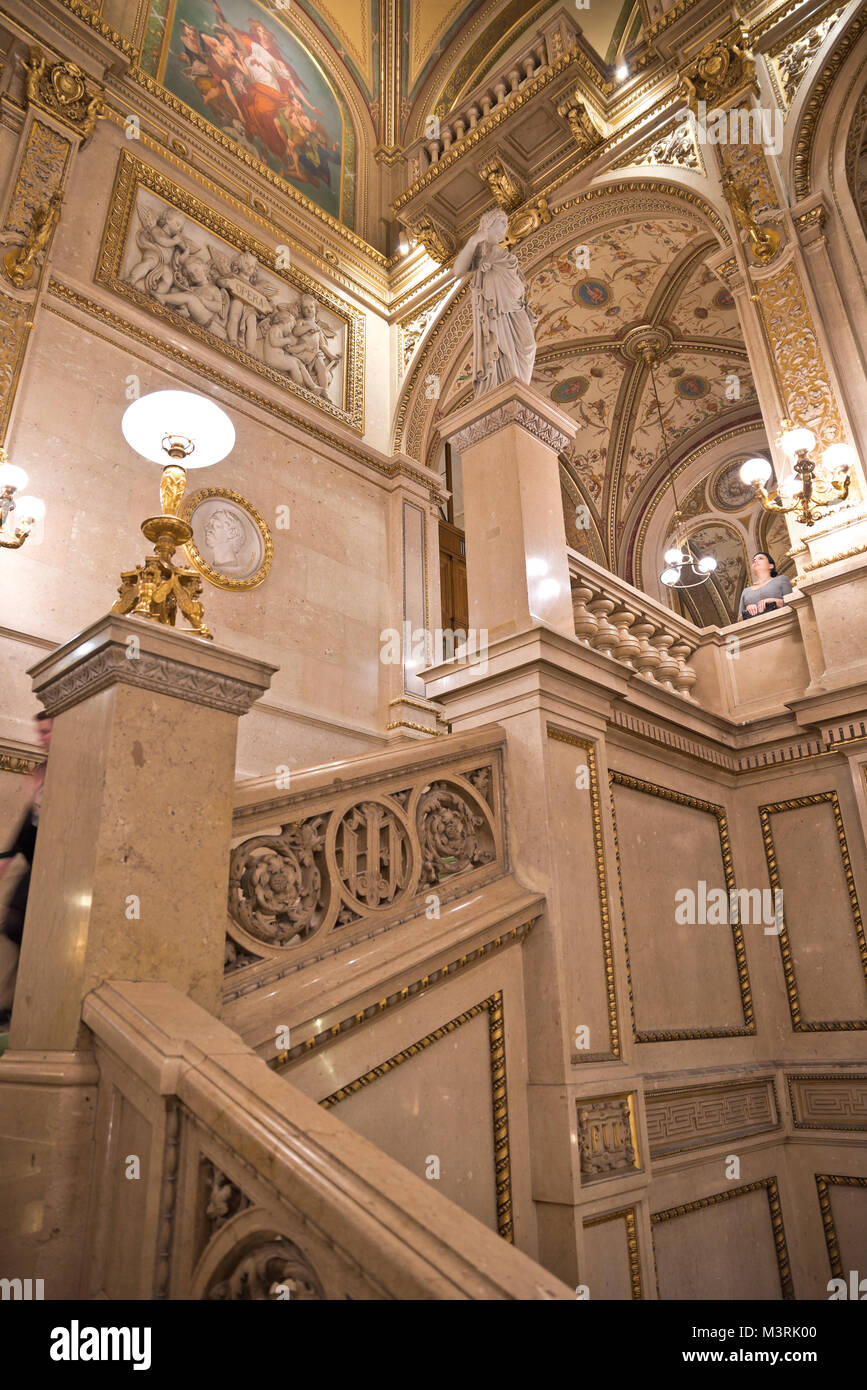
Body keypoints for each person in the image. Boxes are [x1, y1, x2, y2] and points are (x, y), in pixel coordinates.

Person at [0, 712, 52, 1028]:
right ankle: (7, 1004)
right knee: (12, 926)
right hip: (33, 868)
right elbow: (29, 821)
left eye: (46, 732)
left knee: (30, 934)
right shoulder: (43, 770)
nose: (41, 738)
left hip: (53, 872)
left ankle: (18, 1005)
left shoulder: (73, 766)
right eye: (39, 732)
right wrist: (7, 856)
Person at [452, 207, 537, 396]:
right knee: (500, 349)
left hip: (515, 308)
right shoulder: (480, 251)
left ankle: (519, 389)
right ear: (488, 226)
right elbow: (458, 270)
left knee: (529, 345)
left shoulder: (505, 255)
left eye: (506, 225)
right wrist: (474, 239)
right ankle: (504, 385)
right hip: (495, 311)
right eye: (500, 225)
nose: (504, 230)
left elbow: (517, 283)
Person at [738, 551, 793, 620]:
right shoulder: (746, 591)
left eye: (760, 558)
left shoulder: (781, 580)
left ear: (771, 565)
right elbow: (739, 619)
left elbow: (792, 603)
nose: (755, 561)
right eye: (754, 560)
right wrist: (746, 612)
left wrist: (775, 601)